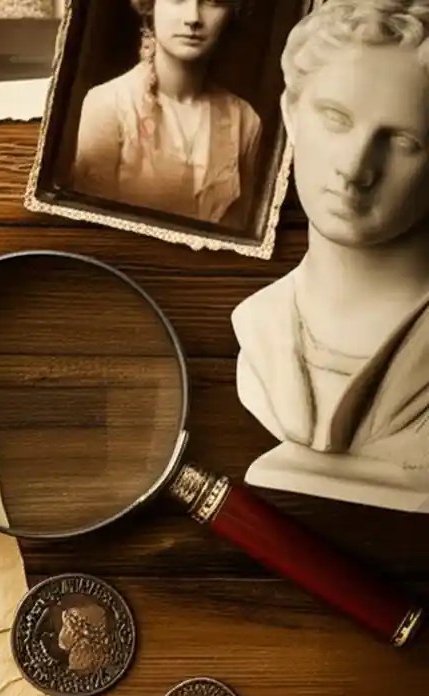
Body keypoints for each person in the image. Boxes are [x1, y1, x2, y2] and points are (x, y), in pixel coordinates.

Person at [232, 0, 429, 512]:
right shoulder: (261, 326)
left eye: (403, 141)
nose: (355, 167)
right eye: (336, 119)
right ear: (291, 116)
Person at [70, 0, 261, 227]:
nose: (193, 18)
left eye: (212, 2)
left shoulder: (245, 120)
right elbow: (94, 232)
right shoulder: (107, 104)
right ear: (150, 6)